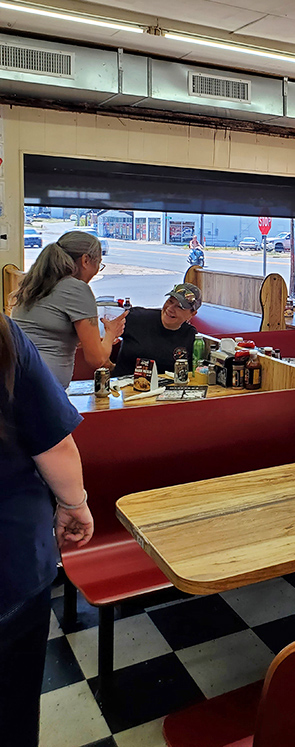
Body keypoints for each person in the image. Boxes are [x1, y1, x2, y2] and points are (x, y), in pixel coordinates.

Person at [0, 314, 93, 747]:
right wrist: (74, 505)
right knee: (11, 718)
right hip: (9, 566)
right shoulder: (3, 333)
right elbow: (53, 443)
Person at [11, 231, 126, 388]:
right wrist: (111, 332)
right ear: (85, 260)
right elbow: (97, 359)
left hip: (16, 377)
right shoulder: (77, 289)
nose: (98, 269)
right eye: (99, 263)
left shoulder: (34, 285)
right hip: (41, 388)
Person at [113, 282, 202, 377]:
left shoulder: (191, 336)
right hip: (123, 387)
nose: (170, 308)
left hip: (164, 389)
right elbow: (103, 335)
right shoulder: (136, 317)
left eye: (180, 307)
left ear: (192, 314)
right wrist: (107, 363)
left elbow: (192, 373)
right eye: (170, 301)